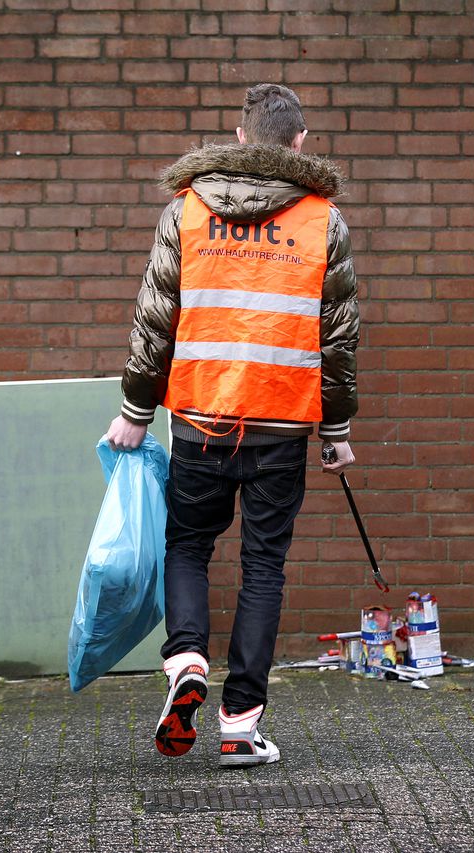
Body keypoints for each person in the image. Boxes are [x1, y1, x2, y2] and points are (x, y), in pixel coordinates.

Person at [105, 83, 360, 767]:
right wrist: (335, 432)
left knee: (188, 546)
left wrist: (135, 412)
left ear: (242, 137)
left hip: (198, 420)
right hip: (281, 425)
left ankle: (185, 658)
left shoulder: (185, 212)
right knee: (263, 568)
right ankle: (241, 724)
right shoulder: (322, 221)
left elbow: (154, 319)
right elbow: (337, 341)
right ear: (298, 142)